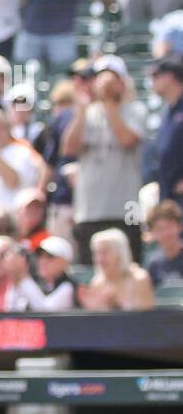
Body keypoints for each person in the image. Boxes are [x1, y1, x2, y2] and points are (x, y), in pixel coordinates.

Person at [61, 55, 146, 263]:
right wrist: (81, 109)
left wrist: (108, 101)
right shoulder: (87, 113)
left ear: (122, 82)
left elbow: (126, 139)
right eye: (99, 78)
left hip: (127, 209)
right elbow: (69, 149)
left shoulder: (135, 110)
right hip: (90, 210)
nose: (103, 84)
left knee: (129, 269)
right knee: (91, 274)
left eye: (111, 78)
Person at [81, 227, 154, 310]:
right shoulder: (97, 283)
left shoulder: (139, 279)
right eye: (97, 253)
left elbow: (145, 318)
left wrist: (116, 304)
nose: (100, 259)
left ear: (120, 253)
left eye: (105, 252)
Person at [17, 235, 79, 311]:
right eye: (40, 256)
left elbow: (45, 311)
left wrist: (24, 278)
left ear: (64, 262)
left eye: (50, 257)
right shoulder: (38, 283)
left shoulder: (67, 286)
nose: (43, 261)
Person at [154, 56, 183, 207]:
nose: (152, 81)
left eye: (156, 75)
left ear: (169, 76)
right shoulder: (168, 111)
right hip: (169, 197)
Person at [146, 200, 183, 285]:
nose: (166, 233)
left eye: (169, 227)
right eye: (160, 229)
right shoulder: (153, 264)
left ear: (179, 226)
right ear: (153, 233)